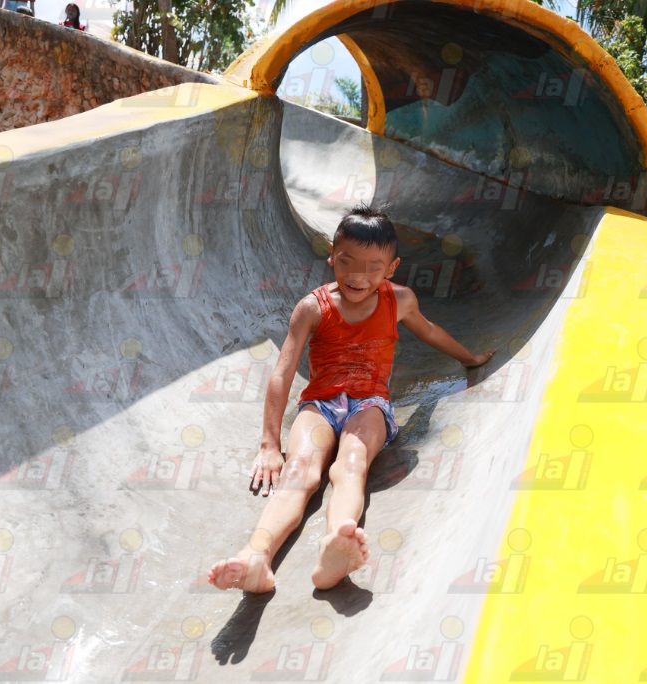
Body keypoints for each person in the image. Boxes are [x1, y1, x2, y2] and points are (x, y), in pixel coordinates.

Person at [207, 202, 495, 593]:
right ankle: (256, 556)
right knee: (299, 469)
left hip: (369, 404)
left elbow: (430, 331)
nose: (358, 276)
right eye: (347, 262)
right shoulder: (313, 307)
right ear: (332, 257)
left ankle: (335, 548)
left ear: (391, 268)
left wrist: (470, 358)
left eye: (373, 267)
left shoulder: (399, 301)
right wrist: (269, 445)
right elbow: (282, 372)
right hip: (320, 404)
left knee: (352, 464)